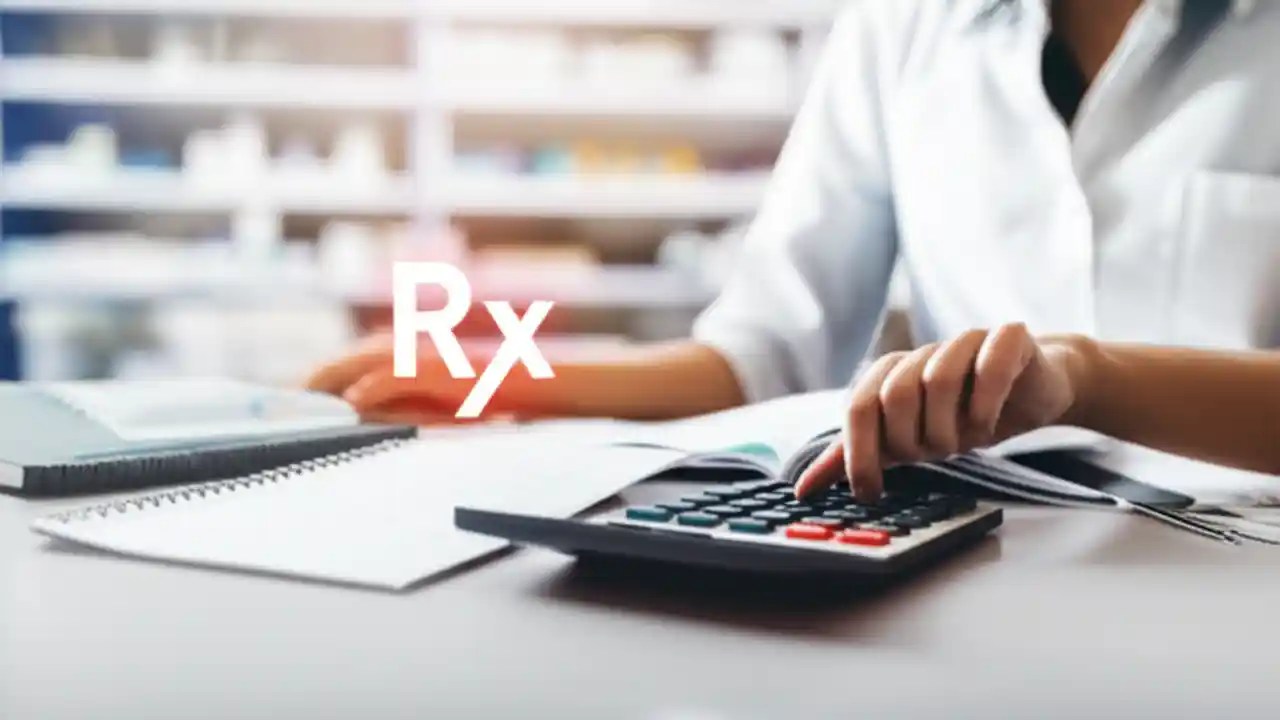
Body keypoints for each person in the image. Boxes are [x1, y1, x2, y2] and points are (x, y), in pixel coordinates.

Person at [309, 0, 1280, 499]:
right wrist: (496, 380)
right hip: (983, 567)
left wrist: (1081, 377)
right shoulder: (904, 27)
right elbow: (763, 356)